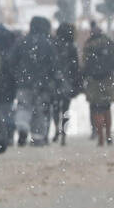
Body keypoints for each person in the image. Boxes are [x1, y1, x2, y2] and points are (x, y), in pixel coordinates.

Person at [10, 16, 59, 146]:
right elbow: (54, 65)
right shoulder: (48, 43)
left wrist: (18, 76)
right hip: (42, 84)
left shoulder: (21, 42)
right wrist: (52, 79)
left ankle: (23, 127)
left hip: (24, 83)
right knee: (39, 110)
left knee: (23, 106)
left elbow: (12, 61)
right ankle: (37, 137)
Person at [82, 22, 114, 147]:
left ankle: (100, 137)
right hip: (107, 80)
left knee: (96, 109)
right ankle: (108, 134)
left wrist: (82, 77)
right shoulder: (108, 43)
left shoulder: (88, 45)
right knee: (107, 108)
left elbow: (84, 64)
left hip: (94, 81)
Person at [51, 21, 81, 146]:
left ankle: (56, 128)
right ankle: (63, 132)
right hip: (68, 81)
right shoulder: (72, 47)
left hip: (55, 80)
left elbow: (51, 62)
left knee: (55, 107)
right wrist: (76, 81)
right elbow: (75, 66)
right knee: (65, 109)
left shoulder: (53, 44)